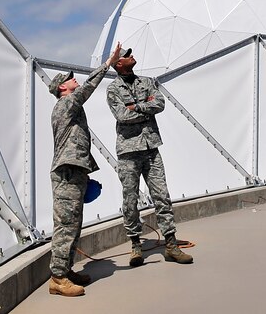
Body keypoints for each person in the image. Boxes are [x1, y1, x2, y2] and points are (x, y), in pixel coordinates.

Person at [106, 47, 193, 267]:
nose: (131, 56)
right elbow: (122, 116)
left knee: (162, 196)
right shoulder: (113, 88)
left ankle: (171, 244)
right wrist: (145, 108)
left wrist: (135, 106)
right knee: (130, 200)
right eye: (126, 55)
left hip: (151, 148)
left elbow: (159, 104)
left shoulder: (147, 82)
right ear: (118, 64)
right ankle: (136, 245)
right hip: (128, 152)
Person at [48, 42, 122, 297]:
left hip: (75, 172)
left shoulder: (72, 107)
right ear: (61, 87)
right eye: (70, 79)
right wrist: (108, 64)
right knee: (66, 226)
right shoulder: (65, 104)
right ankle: (57, 277)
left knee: (74, 226)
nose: (75, 80)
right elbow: (88, 87)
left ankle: (66, 271)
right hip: (66, 173)